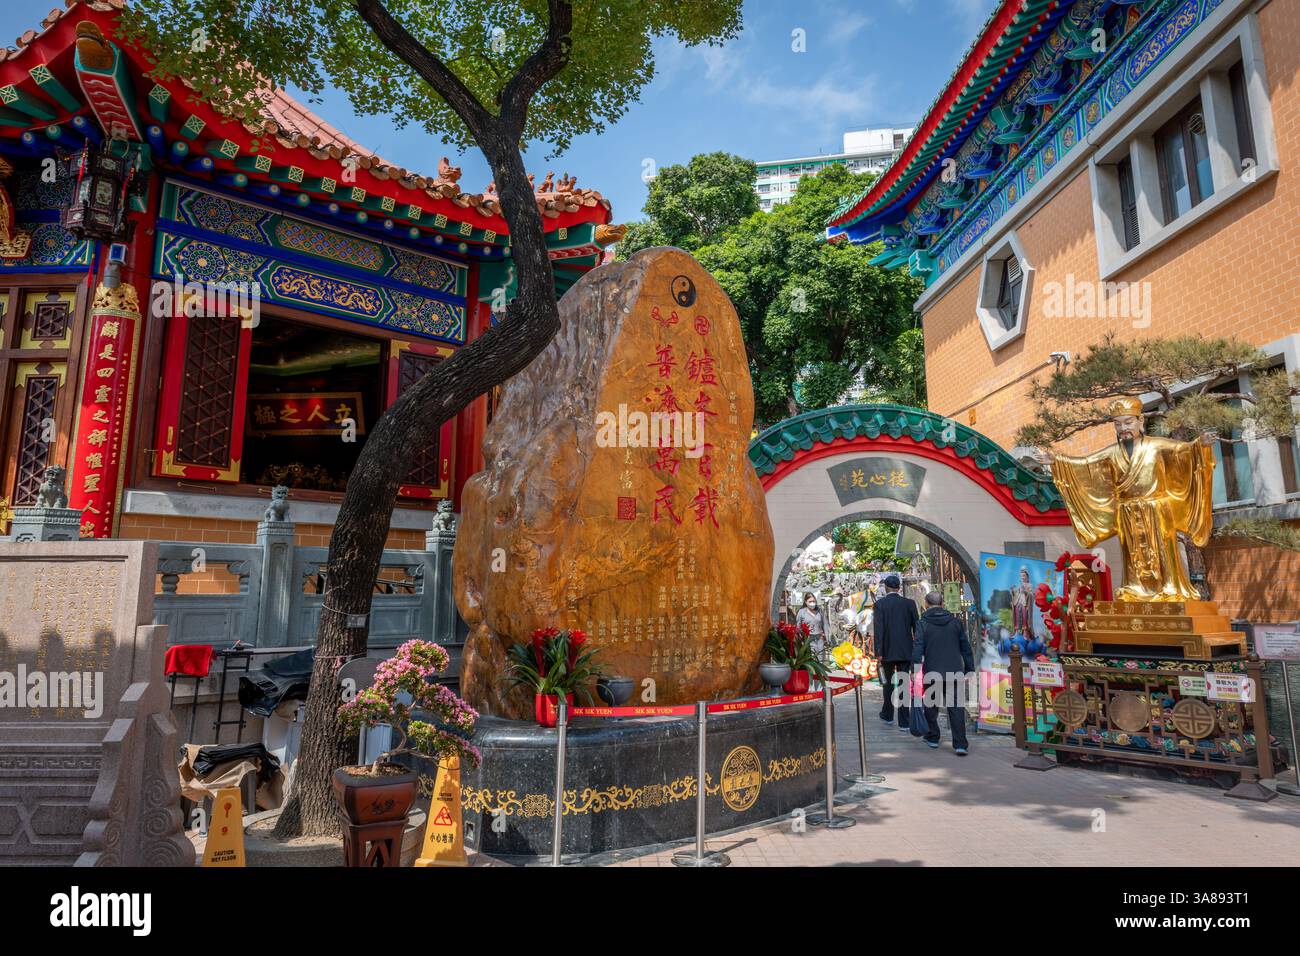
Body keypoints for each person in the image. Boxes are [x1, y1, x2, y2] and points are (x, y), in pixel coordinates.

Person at [913, 590, 975, 755]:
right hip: (954, 670)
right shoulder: (955, 623)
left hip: (932, 670)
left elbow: (918, 646)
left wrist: (916, 668)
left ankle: (933, 737)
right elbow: (965, 647)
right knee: (956, 707)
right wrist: (970, 669)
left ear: (926, 604)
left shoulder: (922, 623)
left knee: (931, 705)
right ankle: (960, 744)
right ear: (942, 604)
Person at [873, 574, 918, 730]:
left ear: (885, 588)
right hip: (906, 650)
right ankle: (905, 721)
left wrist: (878, 652)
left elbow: (878, 630)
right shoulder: (910, 604)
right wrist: (917, 649)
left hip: (886, 651)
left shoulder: (880, 604)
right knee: (904, 683)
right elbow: (916, 628)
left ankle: (887, 714)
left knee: (888, 684)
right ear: (899, 588)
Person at [795, 593, 828, 657]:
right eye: (810, 601)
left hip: (820, 638)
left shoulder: (820, 611)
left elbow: (825, 624)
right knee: (812, 658)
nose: (812, 603)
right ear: (805, 602)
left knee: (821, 658)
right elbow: (798, 627)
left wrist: (827, 637)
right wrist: (802, 635)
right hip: (808, 639)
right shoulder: (802, 612)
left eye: (814, 601)